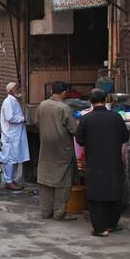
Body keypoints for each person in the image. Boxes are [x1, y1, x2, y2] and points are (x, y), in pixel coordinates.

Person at [75, 88, 129, 236]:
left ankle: (101, 228)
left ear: (90, 102)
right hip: (113, 161)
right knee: (115, 192)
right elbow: (125, 137)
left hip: (95, 161)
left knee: (96, 195)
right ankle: (112, 224)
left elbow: (79, 139)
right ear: (106, 100)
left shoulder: (86, 119)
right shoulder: (116, 117)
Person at [36, 81, 78, 220]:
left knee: (45, 180)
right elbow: (74, 129)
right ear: (64, 92)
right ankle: (59, 213)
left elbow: (37, 123)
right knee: (63, 182)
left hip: (46, 148)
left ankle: (45, 211)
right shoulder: (64, 108)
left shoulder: (42, 105)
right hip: (62, 149)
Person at [0, 81, 30, 191]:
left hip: (15, 134)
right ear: (12, 90)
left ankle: (11, 180)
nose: (19, 90)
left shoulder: (14, 101)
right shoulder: (8, 101)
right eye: (17, 88)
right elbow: (10, 118)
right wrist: (23, 119)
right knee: (10, 159)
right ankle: (8, 181)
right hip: (11, 135)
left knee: (15, 158)